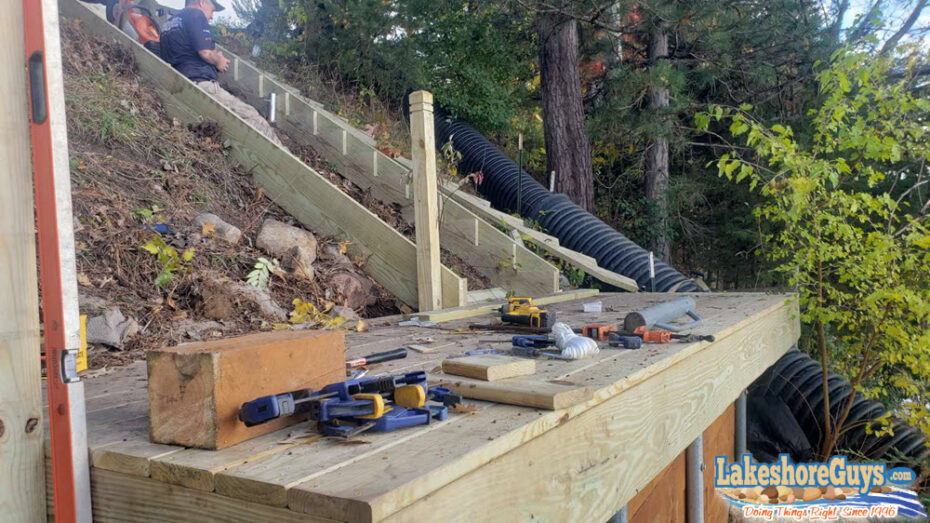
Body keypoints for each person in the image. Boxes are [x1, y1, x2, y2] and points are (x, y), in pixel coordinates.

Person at [159, 0, 281, 143]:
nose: (211, 17)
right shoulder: (196, 14)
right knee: (252, 117)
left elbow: (181, 54)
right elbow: (206, 53)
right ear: (202, 2)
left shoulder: (169, 23)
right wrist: (219, 61)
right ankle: (284, 156)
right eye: (212, 10)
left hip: (177, 82)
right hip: (200, 84)